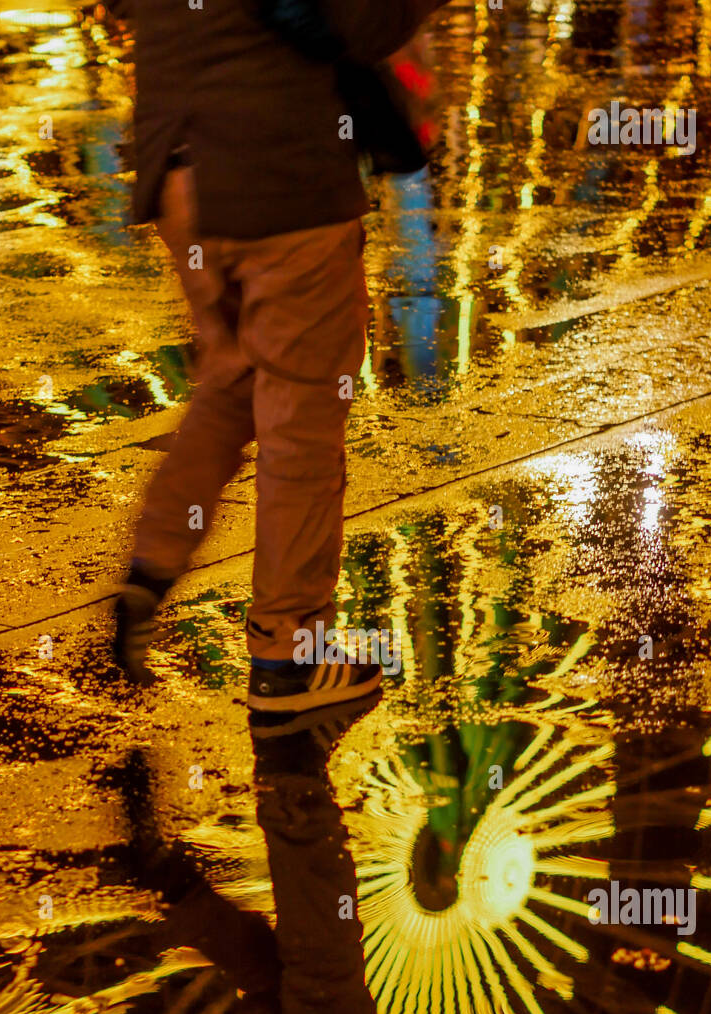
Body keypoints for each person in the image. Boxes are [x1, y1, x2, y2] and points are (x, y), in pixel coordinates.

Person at [101, 0, 447, 712]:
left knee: (231, 378)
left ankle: (152, 565)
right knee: (302, 417)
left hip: (181, 175)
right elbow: (365, 21)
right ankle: (291, 651)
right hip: (279, 179)